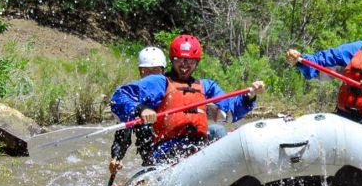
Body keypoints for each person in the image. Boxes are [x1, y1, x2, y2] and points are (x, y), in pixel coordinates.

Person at [110, 34, 265, 166]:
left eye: (190, 61)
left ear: (197, 62)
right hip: (167, 151)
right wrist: (142, 109)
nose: (184, 65)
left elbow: (231, 108)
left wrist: (249, 96)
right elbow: (120, 96)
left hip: (198, 147)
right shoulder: (159, 82)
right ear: (172, 60)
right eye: (179, 60)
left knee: (217, 131)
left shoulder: (207, 86)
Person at [108, 46, 168, 174]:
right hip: (153, 157)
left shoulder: (173, 89)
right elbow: (122, 133)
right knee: (144, 127)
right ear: (141, 72)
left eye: (155, 71)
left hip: (175, 145)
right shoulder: (133, 98)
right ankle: (150, 166)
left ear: (163, 71)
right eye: (147, 71)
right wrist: (116, 156)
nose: (151, 75)